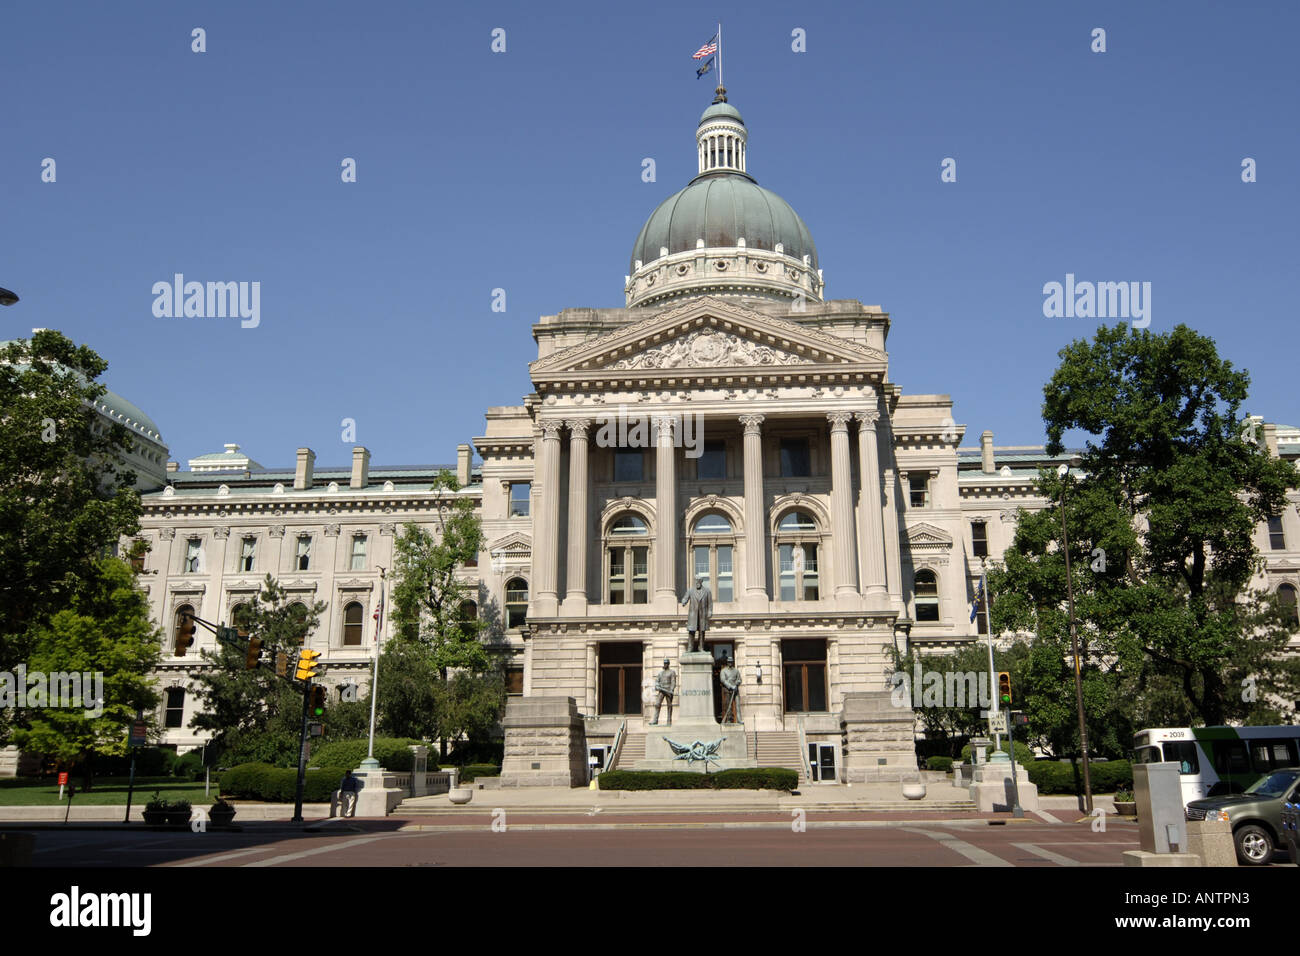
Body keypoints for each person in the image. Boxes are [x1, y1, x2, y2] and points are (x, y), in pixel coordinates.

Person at [680, 575, 713, 652]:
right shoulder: (690, 590)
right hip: (693, 614)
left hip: (703, 614)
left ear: (701, 582)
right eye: (696, 581)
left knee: (702, 631)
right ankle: (690, 647)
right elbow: (685, 597)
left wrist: (710, 611)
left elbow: (710, 603)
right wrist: (684, 601)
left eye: (699, 581)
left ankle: (701, 647)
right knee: (691, 631)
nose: (697, 582)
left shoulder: (707, 591)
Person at [650, 659, 676, 726]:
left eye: (666, 663)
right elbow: (657, 681)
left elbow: (673, 682)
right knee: (657, 704)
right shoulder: (660, 673)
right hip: (661, 690)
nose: (665, 664)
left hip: (668, 691)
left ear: (668, 664)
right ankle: (655, 720)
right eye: (664, 663)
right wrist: (657, 686)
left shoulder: (672, 672)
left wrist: (672, 690)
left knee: (669, 706)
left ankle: (669, 721)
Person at [719, 656, 742, 723]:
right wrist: (731, 686)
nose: (730, 663)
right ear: (727, 662)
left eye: (731, 662)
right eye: (729, 662)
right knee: (728, 704)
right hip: (727, 689)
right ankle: (729, 719)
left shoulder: (736, 671)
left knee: (737, 705)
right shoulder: (723, 671)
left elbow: (739, 679)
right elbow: (723, 680)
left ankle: (739, 719)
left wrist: (737, 683)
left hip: (735, 690)